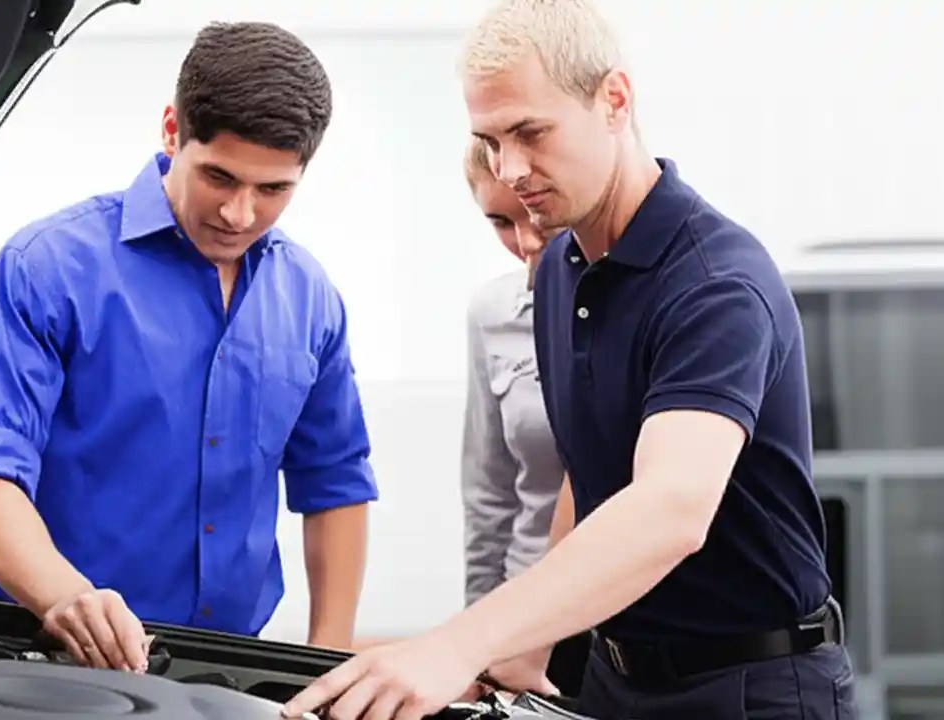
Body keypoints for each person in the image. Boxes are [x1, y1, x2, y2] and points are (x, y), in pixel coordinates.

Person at [282, 1, 855, 718]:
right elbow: (590, 479)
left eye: (530, 133)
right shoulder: (561, 268)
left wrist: (459, 642)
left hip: (748, 685)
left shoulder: (715, 284)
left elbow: (671, 507)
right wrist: (527, 645)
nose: (510, 169)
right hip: (613, 677)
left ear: (614, 100)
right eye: (490, 142)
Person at [0, 21, 378, 674]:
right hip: (50, 661)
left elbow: (336, 481)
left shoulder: (309, 295)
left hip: (229, 670)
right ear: (172, 130)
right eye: (219, 177)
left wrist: (326, 656)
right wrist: (66, 598)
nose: (239, 214)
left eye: (273, 190)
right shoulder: (48, 267)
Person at [459, 137, 588, 698]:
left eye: (534, 215)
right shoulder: (493, 314)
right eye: (500, 222)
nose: (527, 240)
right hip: (524, 618)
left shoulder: (649, 306)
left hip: (627, 619)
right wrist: (478, 641)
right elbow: (489, 494)